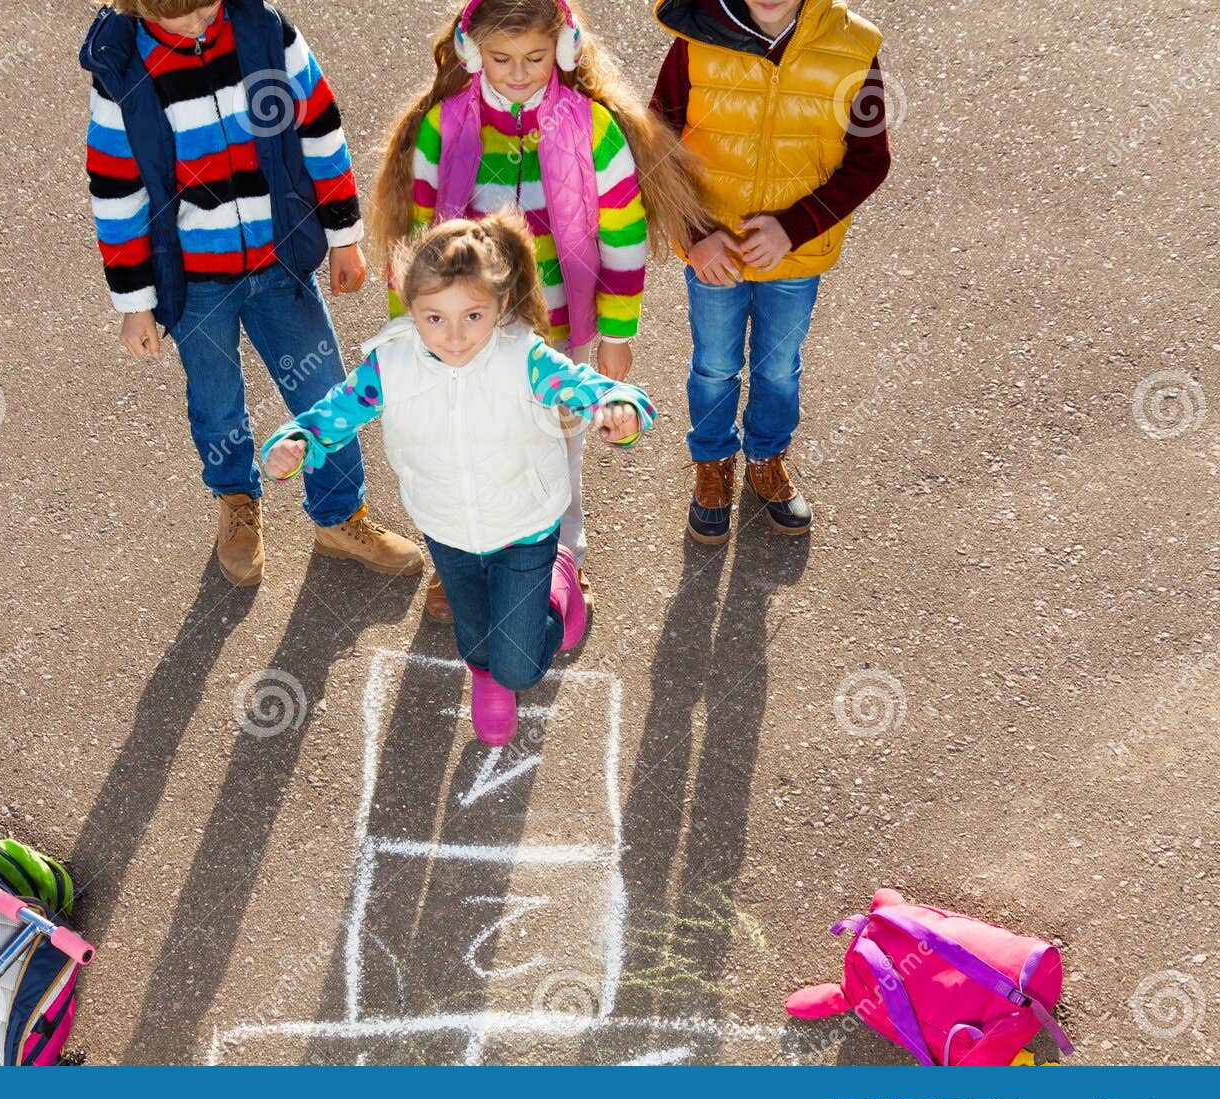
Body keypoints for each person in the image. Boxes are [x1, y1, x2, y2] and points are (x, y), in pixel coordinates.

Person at [261, 213, 656, 746]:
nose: (454, 335)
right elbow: (332, 415)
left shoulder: (527, 359)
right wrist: (296, 441)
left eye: (472, 315)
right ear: (410, 305)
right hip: (445, 526)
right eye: (434, 318)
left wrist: (621, 408)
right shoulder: (390, 366)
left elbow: (590, 386)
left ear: (500, 304)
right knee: (473, 629)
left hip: (526, 526)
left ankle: (558, 593)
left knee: (521, 664)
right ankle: (485, 674)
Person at [370, 0, 709, 620]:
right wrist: (403, 327)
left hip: (559, 325)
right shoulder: (443, 126)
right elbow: (414, 242)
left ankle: (563, 555)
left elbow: (623, 235)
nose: (518, 72)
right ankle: (462, 560)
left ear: (566, 49)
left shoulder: (593, 128)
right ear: (473, 54)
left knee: (560, 439)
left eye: (535, 57)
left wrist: (617, 332)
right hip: (464, 330)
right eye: (500, 59)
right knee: (461, 440)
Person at [81, 0, 422, 586]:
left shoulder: (265, 34)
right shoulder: (121, 69)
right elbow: (117, 193)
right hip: (194, 281)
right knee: (217, 405)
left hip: (280, 262)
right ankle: (237, 502)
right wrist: (133, 303)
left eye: (202, 9)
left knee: (324, 391)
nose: (193, 28)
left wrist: (343, 236)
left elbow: (320, 130)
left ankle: (340, 515)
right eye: (173, 18)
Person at [650, 0, 892, 544]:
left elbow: (869, 160)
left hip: (795, 255)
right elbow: (656, 140)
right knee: (714, 364)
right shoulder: (695, 36)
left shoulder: (854, 45)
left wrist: (794, 227)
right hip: (713, 250)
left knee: (779, 366)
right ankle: (713, 463)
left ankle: (767, 457)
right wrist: (694, 234)